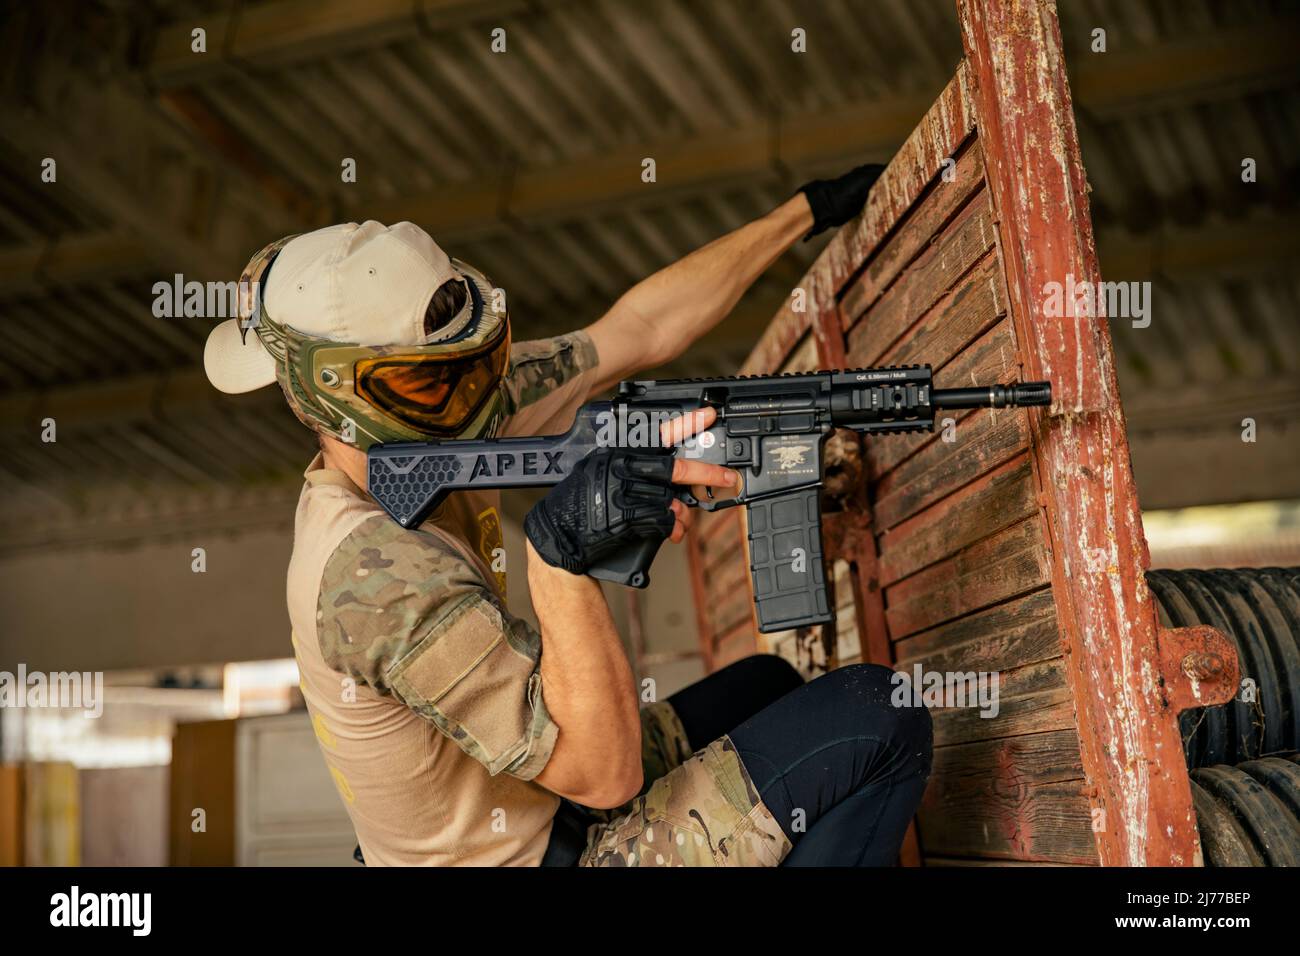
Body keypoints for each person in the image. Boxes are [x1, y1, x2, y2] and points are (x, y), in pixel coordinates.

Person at [203, 164, 931, 866]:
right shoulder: (369, 578)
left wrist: (805, 209)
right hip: (541, 844)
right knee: (880, 712)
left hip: (539, 799)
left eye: (474, 366)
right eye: (434, 386)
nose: (471, 405)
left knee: (770, 688)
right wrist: (560, 556)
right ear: (333, 394)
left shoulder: (442, 405)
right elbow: (602, 773)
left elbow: (640, 328)